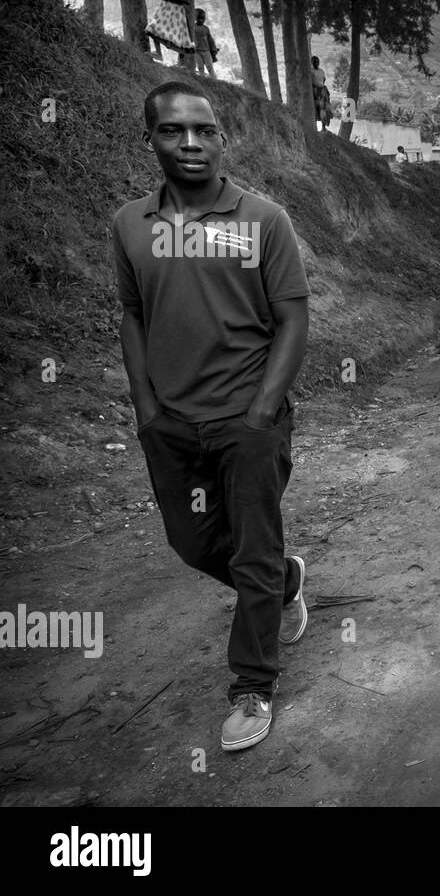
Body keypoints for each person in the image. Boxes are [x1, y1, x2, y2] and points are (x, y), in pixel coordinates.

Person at [112, 82, 310, 752]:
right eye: (173, 131)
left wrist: (260, 412)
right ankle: (285, 583)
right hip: (170, 423)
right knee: (193, 544)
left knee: (252, 548)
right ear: (152, 139)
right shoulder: (130, 225)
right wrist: (145, 408)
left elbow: (292, 317)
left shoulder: (263, 220)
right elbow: (132, 314)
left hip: (248, 419)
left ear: (223, 138)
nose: (190, 143)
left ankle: (251, 686)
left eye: (204, 130)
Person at [142, 0, 193, 65]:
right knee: (152, 28)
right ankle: (158, 53)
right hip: (165, 9)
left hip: (177, 11)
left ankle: (181, 62)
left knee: (180, 35)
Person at [192, 8, 217, 77]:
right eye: (199, 18)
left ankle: (214, 80)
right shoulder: (193, 27)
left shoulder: (206, 29)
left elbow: (211, 40)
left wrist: (214, 50)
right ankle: (202, 80)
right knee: (200, 67)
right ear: (195, 18)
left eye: (203, 18)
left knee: (210, 67)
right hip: (197, 51)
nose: (201, 20)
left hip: (206, 51)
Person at [310, 56, 331, 130]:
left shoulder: (321, 71)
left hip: (322, 91)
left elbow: (324, 79)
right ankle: (315, 127)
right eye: (314, 62)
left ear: (319, 62)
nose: (316, 63)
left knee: (323, 108)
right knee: (315, 108)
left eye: (317, 61)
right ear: (312, 63)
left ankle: (323, 127)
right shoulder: (310, 71)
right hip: (315, 91)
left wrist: (320, 86)